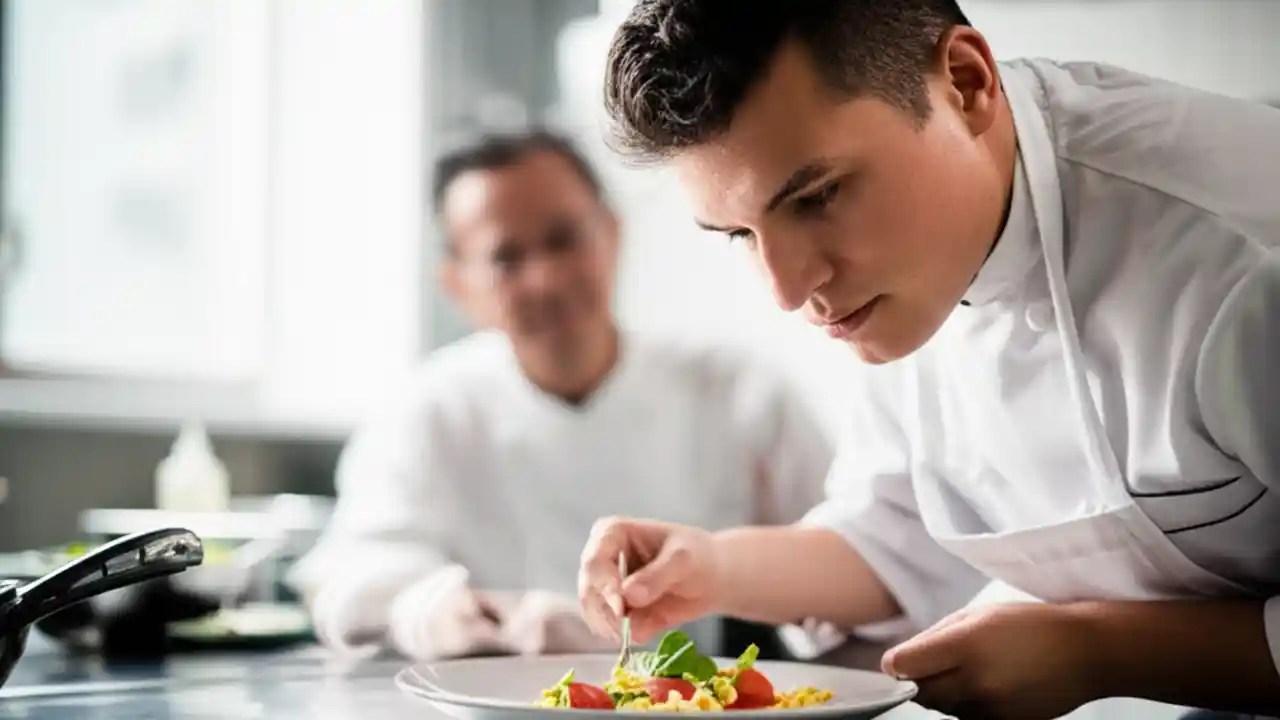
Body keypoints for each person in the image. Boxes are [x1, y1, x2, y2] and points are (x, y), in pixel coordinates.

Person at [577, 1, 1280, 717]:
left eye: (819, 197)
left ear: (967, 84)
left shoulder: (1243, 261)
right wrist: (711, 567)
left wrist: (1096, 651)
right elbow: (893, 534)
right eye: (738, 234)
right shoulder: (911, 271)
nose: (787, 291)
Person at [290, 131, 834, 661]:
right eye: (506, 258)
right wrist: (429, 612)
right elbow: (345, 578)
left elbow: (844, 556)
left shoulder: (741, 392)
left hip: (684, 697)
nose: (545, 279)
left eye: (563, 239)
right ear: (457, 284)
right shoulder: (427, 411)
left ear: (613, 234)